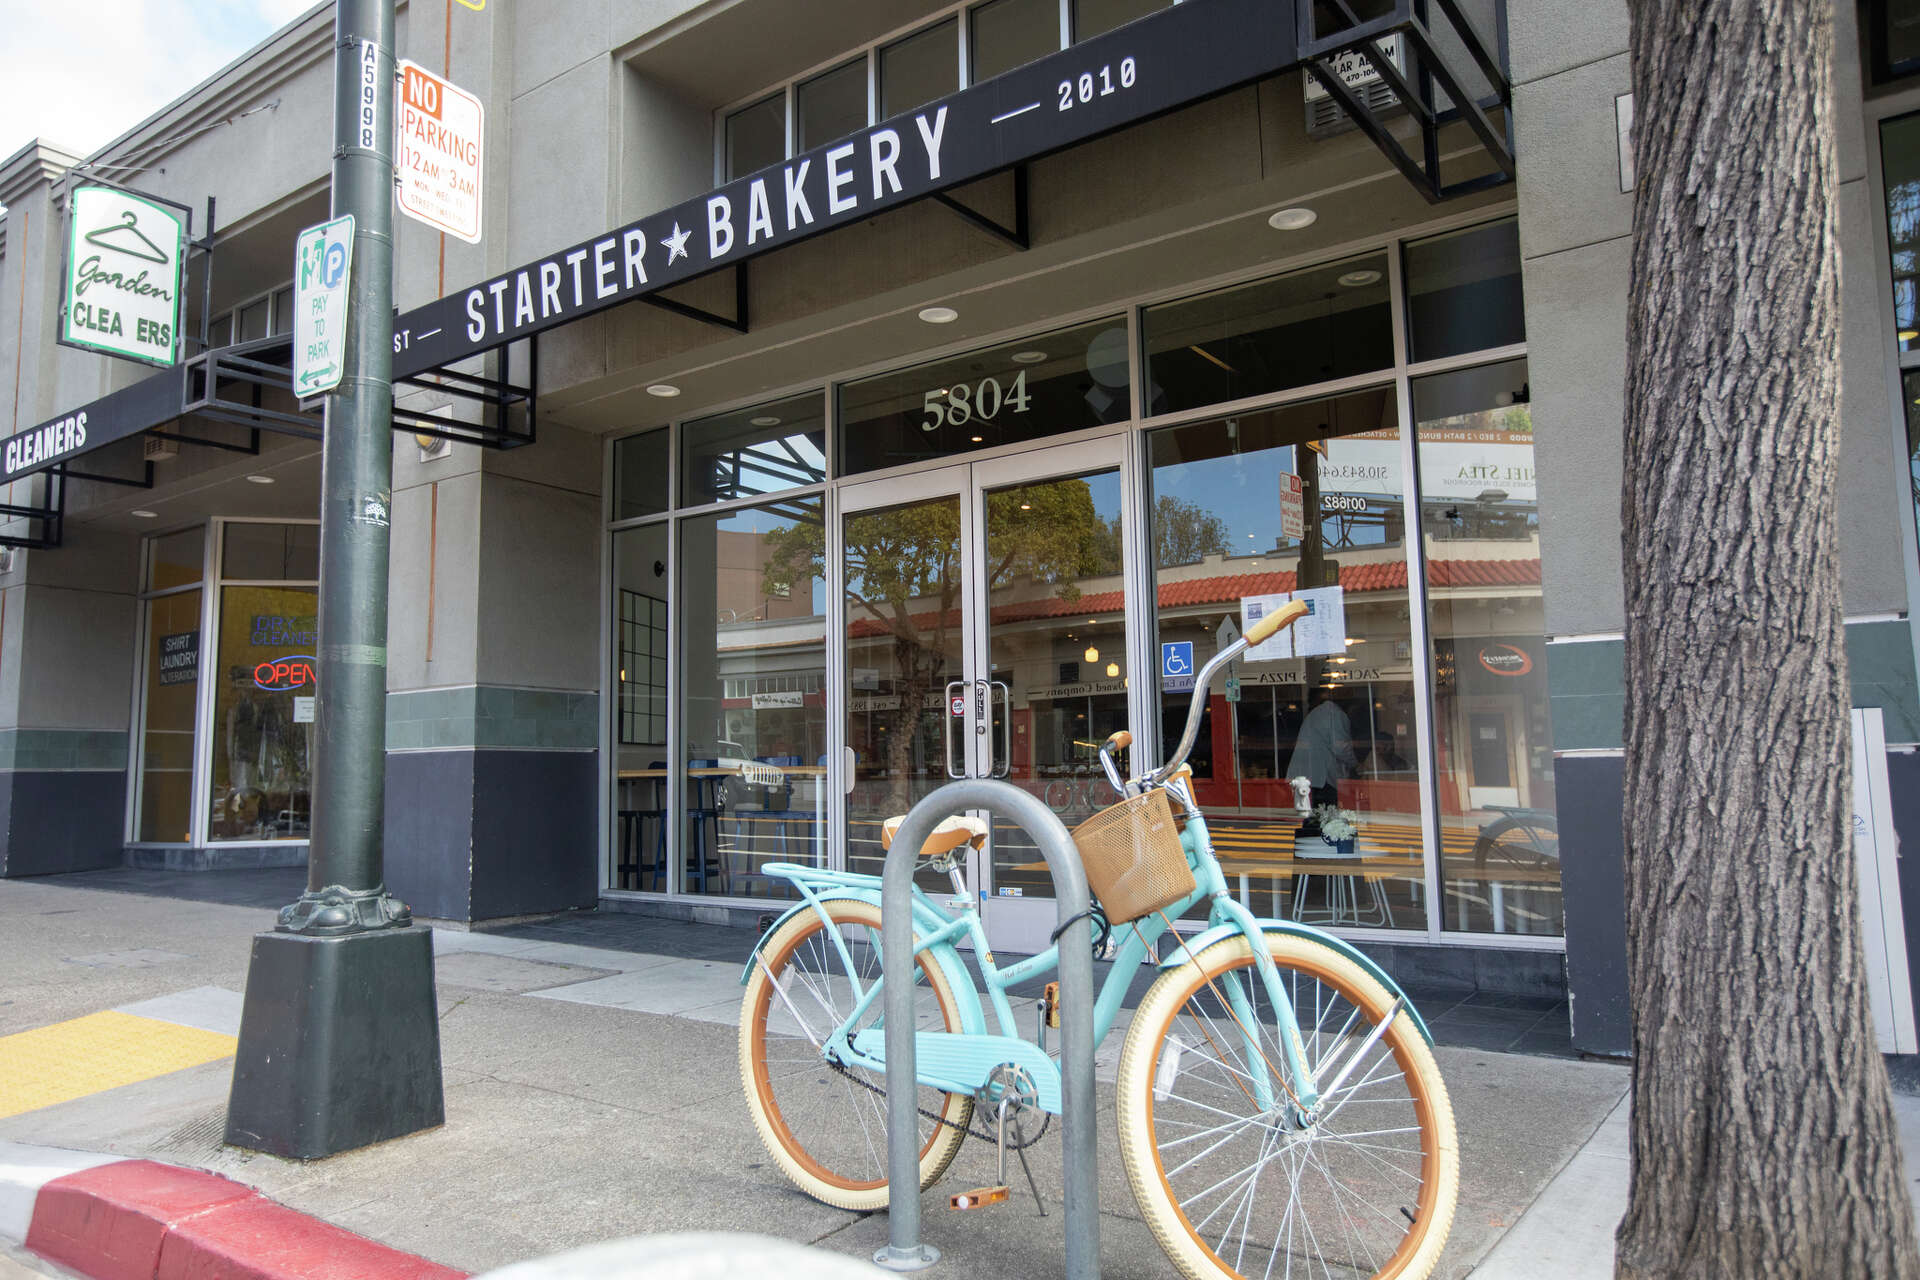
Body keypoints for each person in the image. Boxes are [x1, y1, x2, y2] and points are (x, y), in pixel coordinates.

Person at [1285, 684, 1356, 810]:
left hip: (1307, 777)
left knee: (1311, 813)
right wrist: (1355, 764)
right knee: (1326, 814)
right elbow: (1340, 748)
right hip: (1323, 778)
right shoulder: (1335, 714)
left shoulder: (1315, 714)